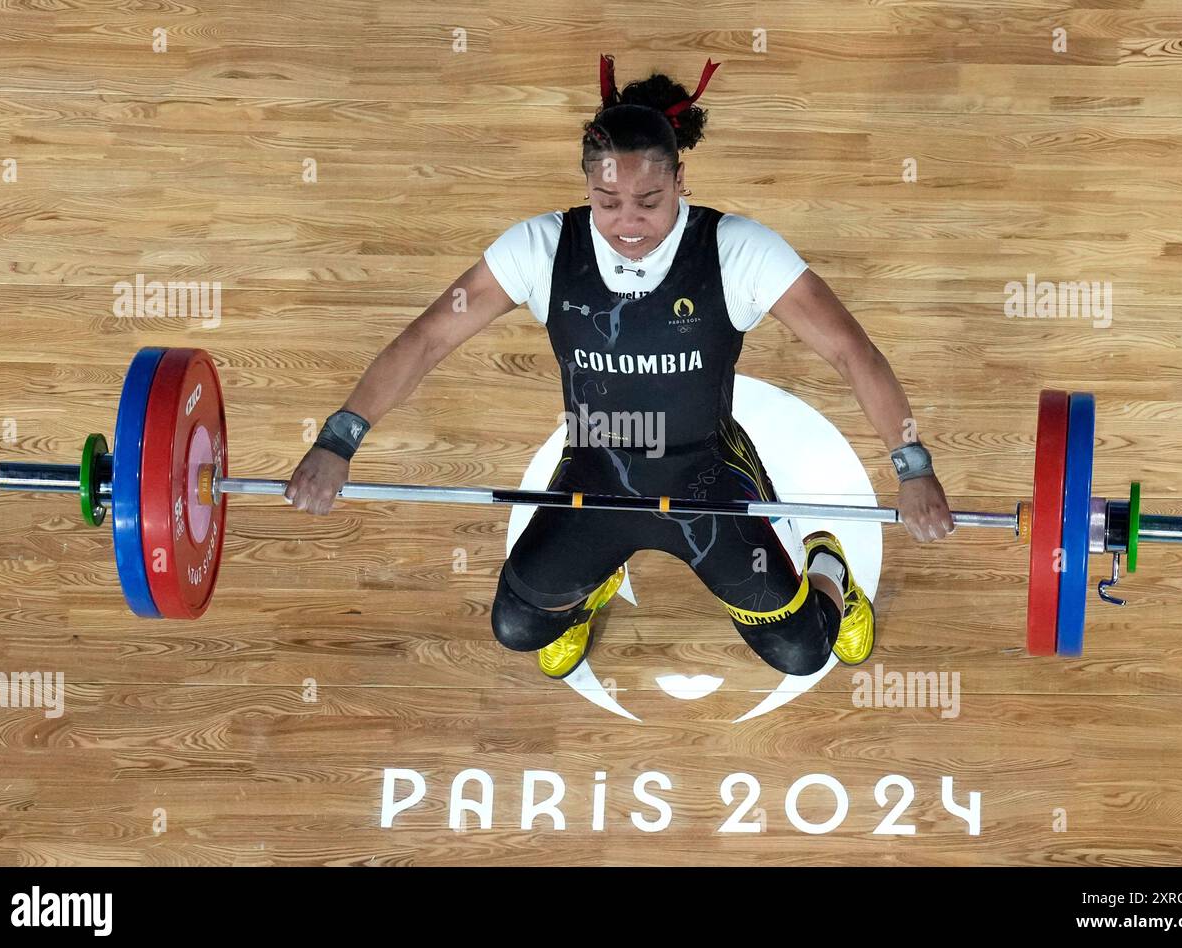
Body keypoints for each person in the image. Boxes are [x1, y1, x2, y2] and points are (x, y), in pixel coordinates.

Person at [286, 54, 954, 680]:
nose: (629, 224)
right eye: (608, 205)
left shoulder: (737, 250)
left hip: (706, 478)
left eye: (650, 203)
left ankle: (828, 562)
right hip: (595, 475)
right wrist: (338, 439)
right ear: (587, 186)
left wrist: (913, 465)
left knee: (802, 649)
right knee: (518, 627)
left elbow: (850, 351)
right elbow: (428, 337)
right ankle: (594, 576)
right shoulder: (542, 246)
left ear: (680, 181)